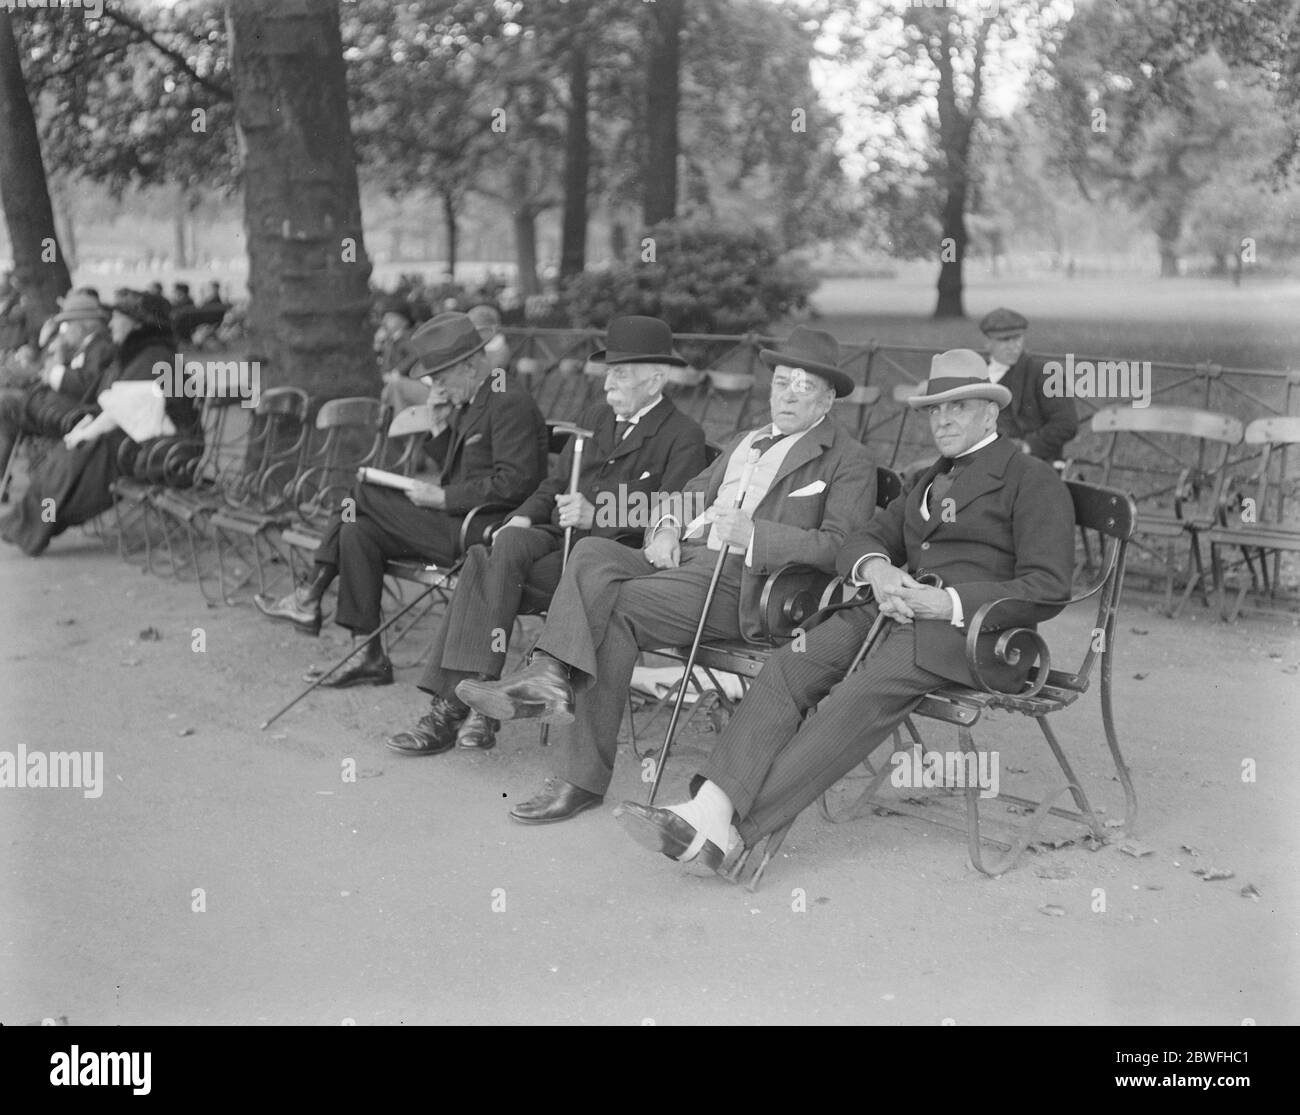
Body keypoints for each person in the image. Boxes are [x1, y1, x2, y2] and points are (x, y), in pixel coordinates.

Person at [613, 349, 1076, 876]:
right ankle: (712, 806)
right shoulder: (926, 479)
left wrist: (945, 603)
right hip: (888, 610)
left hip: (971, 635)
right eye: (934, 410)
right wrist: (877, 570)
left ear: (990, 413)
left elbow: (1048, 587)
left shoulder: (1031, 478)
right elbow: (862, 539)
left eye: (959, 408)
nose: (942, 421)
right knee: (791, 664)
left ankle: (733, 831)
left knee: (853, 698)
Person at [459, 326, 878, 823]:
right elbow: (687, 494)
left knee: (613, 610)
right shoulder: (747, 441)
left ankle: (575, 767)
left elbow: (839, 547)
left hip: (745, 583)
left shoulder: (849, 460)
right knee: (593, 552)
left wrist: (758, 536)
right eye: (781, 381)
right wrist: (664, 528)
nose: (788, 394)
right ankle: (552, 680)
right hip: (686, 560)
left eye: (804, 386)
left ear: (828, 400)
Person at [386, 315, 708, 755]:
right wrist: (521, 516)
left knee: (482, 566)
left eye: (621, 374)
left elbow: (678, 509)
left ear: (656, 379)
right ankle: (479, 702)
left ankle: (455, 707)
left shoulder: (683, 434)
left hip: (606, 560)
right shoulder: (596, 416)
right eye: (608, 372)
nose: (608, 384)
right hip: (558, 540)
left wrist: (599, 511)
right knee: (501, 544)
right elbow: (555, 485)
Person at [254, 312, 549, 688]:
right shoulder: (474, 400)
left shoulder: (509, 401)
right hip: (460, 519)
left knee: (360, 492)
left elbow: (517, 484)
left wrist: (442, 497)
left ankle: (310, 592)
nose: (436, 387)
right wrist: (442, 426)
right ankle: (367, 654)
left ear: (471, 365)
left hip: (489, 530)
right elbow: (465, 470)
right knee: (356, 529)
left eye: (441, 377)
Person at [0, 291, 201, 557]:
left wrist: (89, 429)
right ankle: (29, 522)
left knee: (79, 458)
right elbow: (122, 406)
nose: (110, 323)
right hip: (149, 444)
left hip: (162, 451)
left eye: (118, 318)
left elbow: (129, 408)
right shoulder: (147, 354)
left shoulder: (154, 356)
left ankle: (33, 524)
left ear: (136, 323)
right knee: (72, 457)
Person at [0, 290, 117, 479]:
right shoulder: (88, 345)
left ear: (81, 326)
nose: (63, 330)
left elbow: (87, 384)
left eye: (67, 324)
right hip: (58, 406)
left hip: (69, 414)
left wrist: (55, 370)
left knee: (4, 404)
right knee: (5, 410)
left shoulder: (100, 347)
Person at [978, 308, 1078, 462]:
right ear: (987, 343)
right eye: (1004, 340)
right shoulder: (977, 373)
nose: (1013, 346)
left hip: (1028, 462)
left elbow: (1066, 423)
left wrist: (1028, 446)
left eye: (1017, 338)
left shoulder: (1043, 373)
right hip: (979, 457)